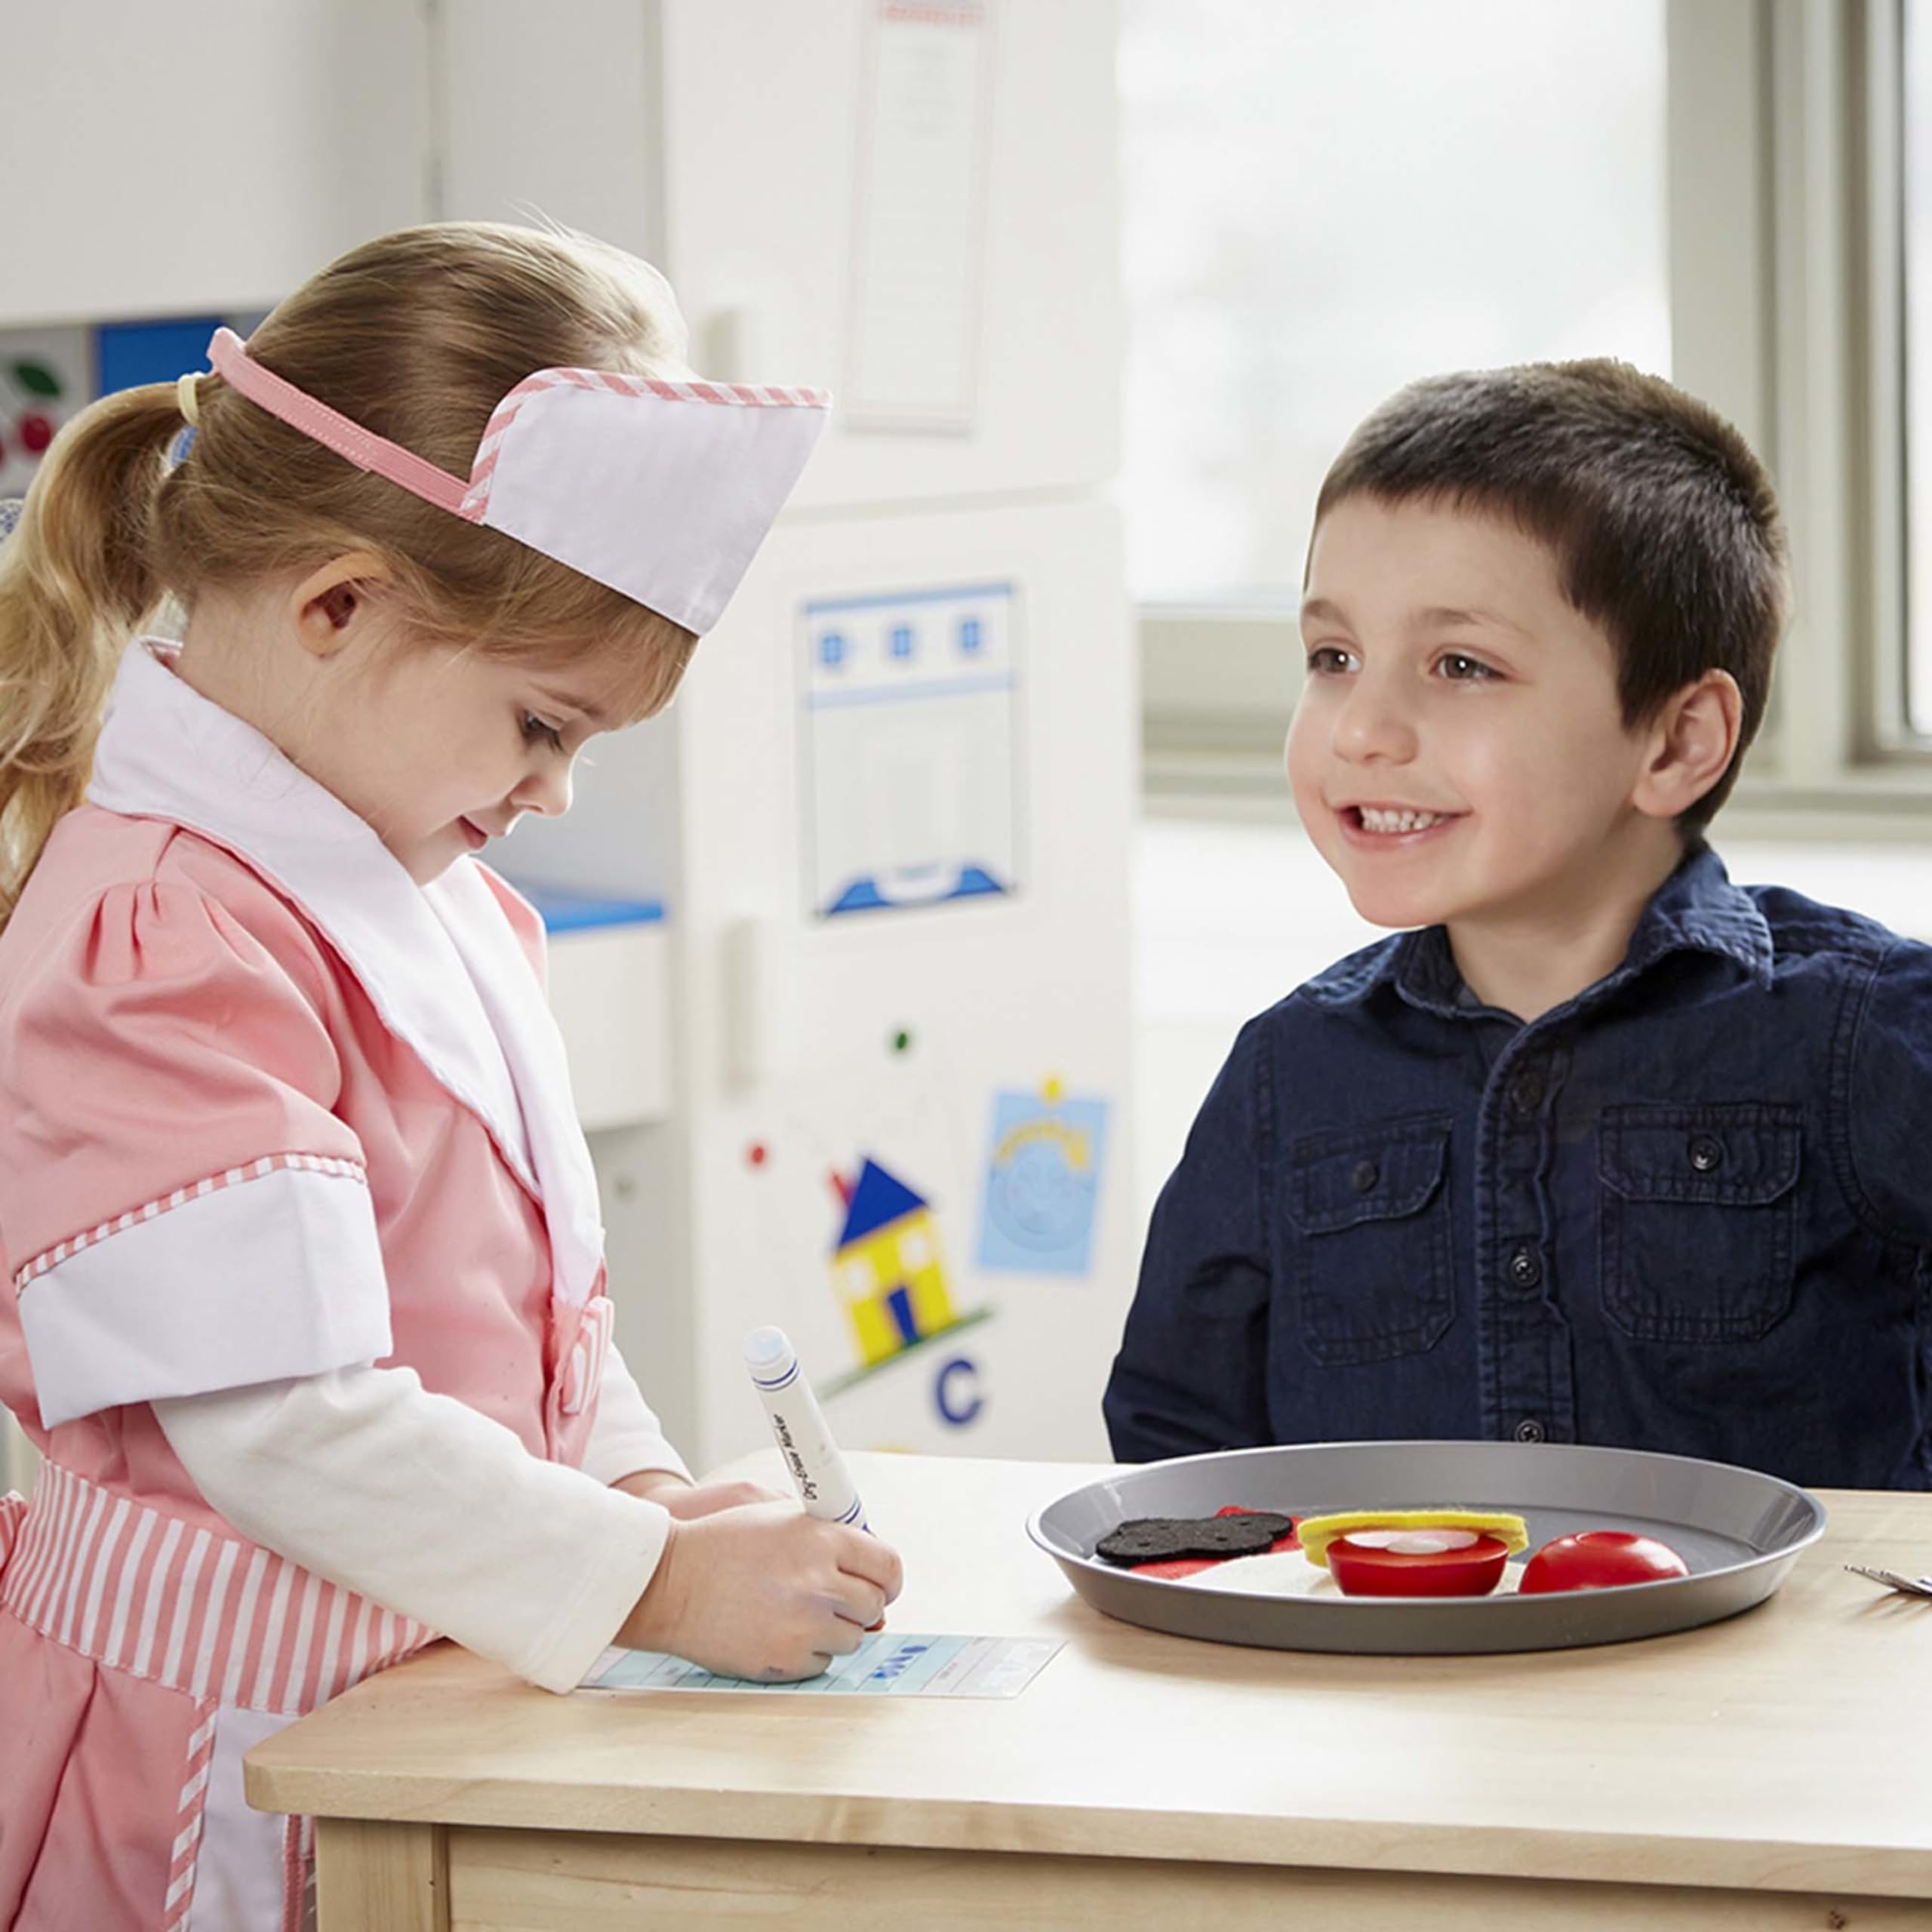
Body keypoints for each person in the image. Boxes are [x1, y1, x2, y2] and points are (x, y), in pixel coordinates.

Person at [0, 222, 902, 1929]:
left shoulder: (423, 887)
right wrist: (653, 1578)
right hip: (217, 1762)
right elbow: (279, 1420)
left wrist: (636, 1487)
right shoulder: (162, 933)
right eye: (542, 724)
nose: (554, 789)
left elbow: (545, 1308)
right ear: (338, 603)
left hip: (407, 1702)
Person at [1105, 358, 1932, 1494]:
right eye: (1334, 657)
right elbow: (1179, 1455)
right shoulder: (1287, 1076)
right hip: (1395, 1677)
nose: (1365, 730)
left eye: (1460, 665)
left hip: (1774, 1675)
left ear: (1680, 742)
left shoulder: (1864, 1037)